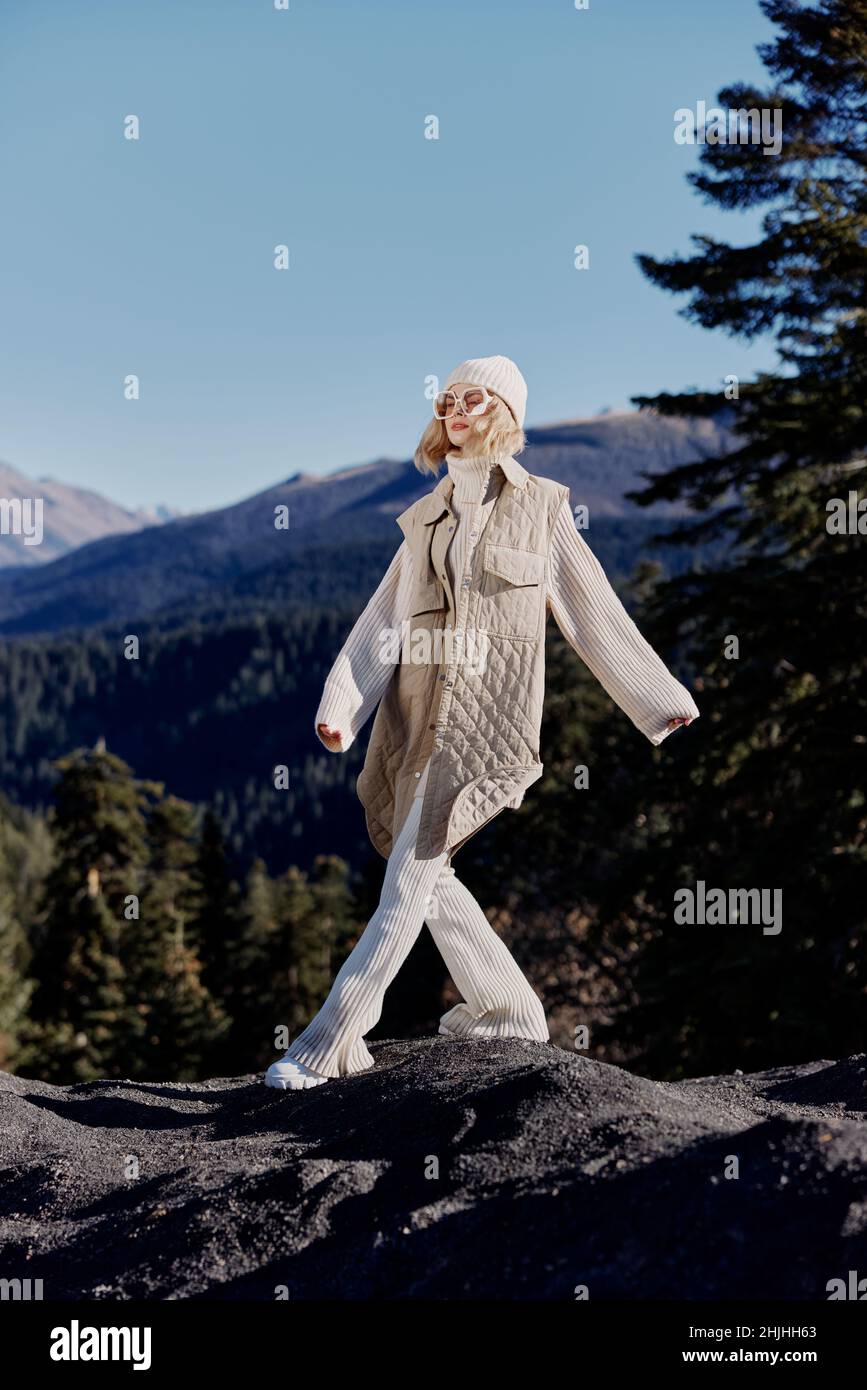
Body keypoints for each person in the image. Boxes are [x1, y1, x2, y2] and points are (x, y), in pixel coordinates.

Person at [264, 354, 698, 1089]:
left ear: (503, 410)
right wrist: (340, 708)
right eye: (444, 400)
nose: (453, 410)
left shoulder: (544, 508)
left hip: (486, 725)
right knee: (430, 879)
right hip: (413, 720)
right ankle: (509, 1013)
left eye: (471, 397)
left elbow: (593, 615)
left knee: (408, 879)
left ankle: (327, 1044)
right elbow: (381, 626)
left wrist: (657, 699)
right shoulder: (425, 517)